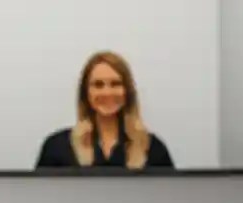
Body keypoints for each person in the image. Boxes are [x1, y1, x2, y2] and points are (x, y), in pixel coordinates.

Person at [35, 51, 174, 170]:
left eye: (116, 84)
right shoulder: (56, 147)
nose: (107, 92)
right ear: (86, 93)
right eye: (98, 85)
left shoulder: (152, 148)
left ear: (127, 92)